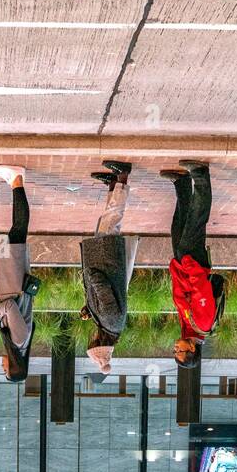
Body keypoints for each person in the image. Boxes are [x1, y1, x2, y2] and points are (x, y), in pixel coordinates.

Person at [161, 160, 226, 371]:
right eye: (179, 351)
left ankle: (181, 183)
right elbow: (201, 289)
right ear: (192, 348)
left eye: (175, 352)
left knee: (178, 226)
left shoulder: (187, 329)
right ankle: (200, 175)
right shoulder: (203, 325)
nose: (175, 347)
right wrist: (189, 265)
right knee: (197, 220)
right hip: (193, 264)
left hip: (182, 266)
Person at [0, 165, 39, 381]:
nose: (2, 366)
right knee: (19, 229)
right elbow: (10, 306)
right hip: (13, 276)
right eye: (5, 370)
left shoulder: (17, 343)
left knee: (16, 230)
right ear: (14, 366)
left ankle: (14, 182)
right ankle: (17, 179)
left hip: (10, 277)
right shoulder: (20, 340)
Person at [79, 160, 139, 374]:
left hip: (104, 260)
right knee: (112, 219)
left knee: (105, 222)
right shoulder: (112, 321)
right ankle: (123, 176)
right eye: (92, 342)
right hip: (107, 260)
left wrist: (88, 310)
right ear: (99, 343)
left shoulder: (107, 325)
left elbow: (99, 301)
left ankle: (112, 186)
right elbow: (103, 289)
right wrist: (89, 275)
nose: (91, 338)